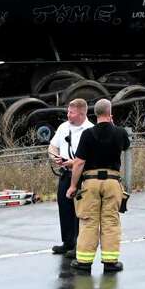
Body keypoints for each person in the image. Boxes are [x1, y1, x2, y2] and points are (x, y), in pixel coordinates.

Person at [66, 98, 130, 275]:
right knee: (110, 221)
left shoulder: (87, 134)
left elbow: (78, 163)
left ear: (95, 114)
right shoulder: (120, 133)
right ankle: (110, 262)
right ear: (110, 114)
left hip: (91, 182)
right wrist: (114, 125)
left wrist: (72, 186)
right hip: (112, 182)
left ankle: (84, 262)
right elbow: (125, 147)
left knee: (88, 221)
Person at [48, 98, 93, 258]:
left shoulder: (90, 130)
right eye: (68, 111)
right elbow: (52, 146)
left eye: (71, 112)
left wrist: (71, 163)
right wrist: (55, 157)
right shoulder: (63, 127)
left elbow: (88, 158)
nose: (68, 115)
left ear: (81, 113)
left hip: (82, 176)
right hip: (65, 174)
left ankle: (78, 245)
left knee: (79, 211)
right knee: (64, 207)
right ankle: (67, 242)